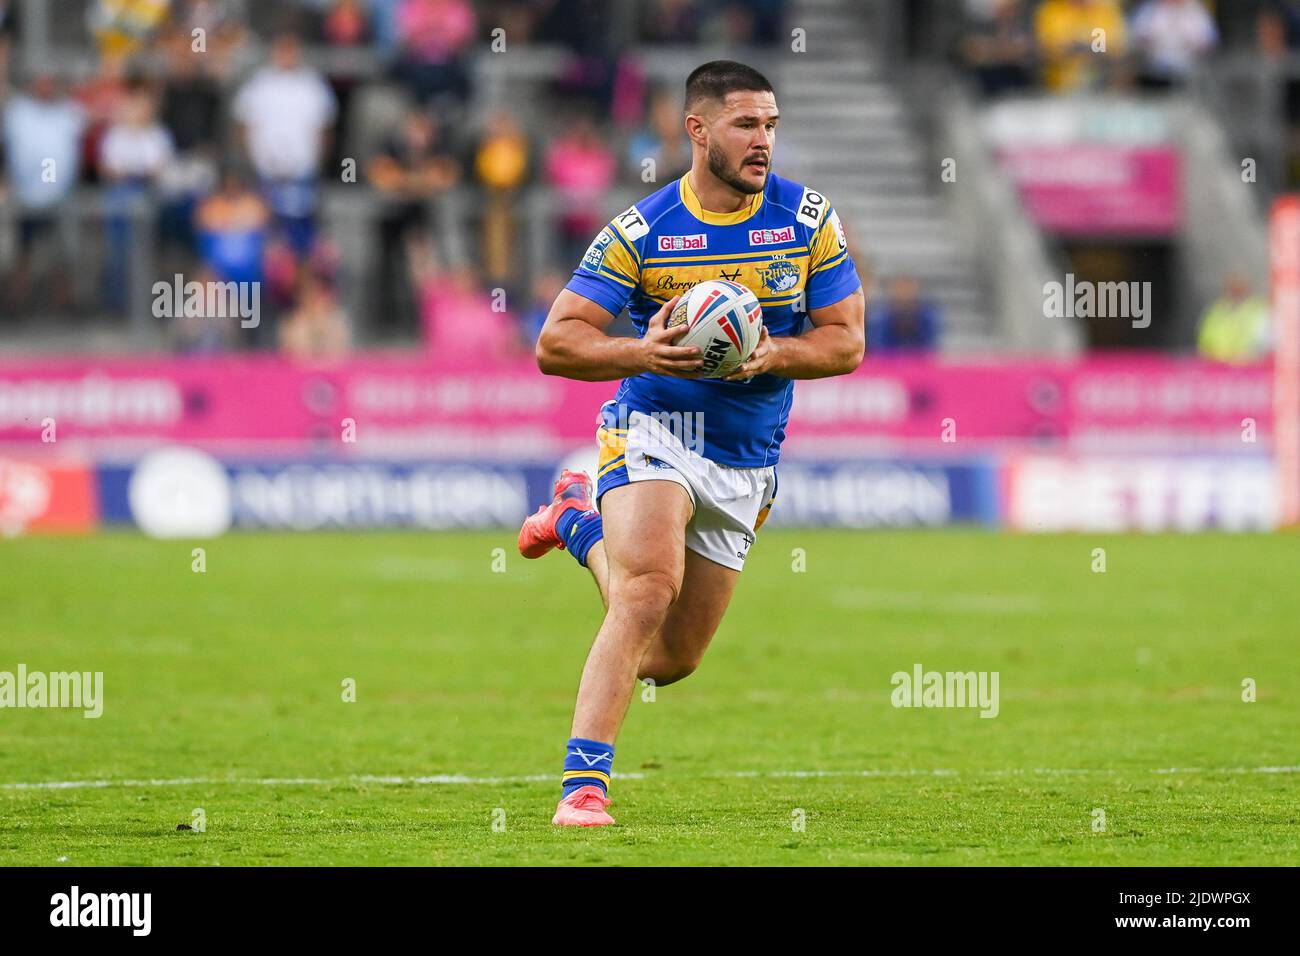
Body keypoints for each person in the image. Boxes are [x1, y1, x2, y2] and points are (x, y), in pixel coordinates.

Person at [519, 61, 864, 827]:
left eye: (772, 125)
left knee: (670, 660)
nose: (763, 141)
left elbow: (845, 344)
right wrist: (644, 352)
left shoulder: (807, 220)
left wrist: (773, 353)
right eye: (746, 124)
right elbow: (556, 343)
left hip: (748, 460)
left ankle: (575, 519)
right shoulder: (642, 233)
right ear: (698, 129)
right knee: (646, 591)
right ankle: (584, 787)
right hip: (655, 430)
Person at [232, 31, 337, 258]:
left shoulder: (312, 85)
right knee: (267, 241)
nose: (287, 55)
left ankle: (302, 288)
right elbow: (244, 124)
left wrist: (314, 163)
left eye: (291, 50)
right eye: (282, 49)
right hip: (266, 174)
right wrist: (254, 159)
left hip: (301, 174)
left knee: (302, 244)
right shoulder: (259, 83)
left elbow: (324, 128)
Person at [1197, 272, 1271, 363]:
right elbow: (1204, 340)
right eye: (1231, 285)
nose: (1234, 289)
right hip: (1218, 366)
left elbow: (1264, 344)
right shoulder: (1217, 309)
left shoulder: (1258, 310)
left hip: (1248, 367)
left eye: (1238, 285)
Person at [868, 275, 941, 354]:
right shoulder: (883, 318)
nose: (904, 296)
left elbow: (929, 348)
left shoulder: (926, 317)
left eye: (908, 290)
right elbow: (881, 348)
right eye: (901, 290)